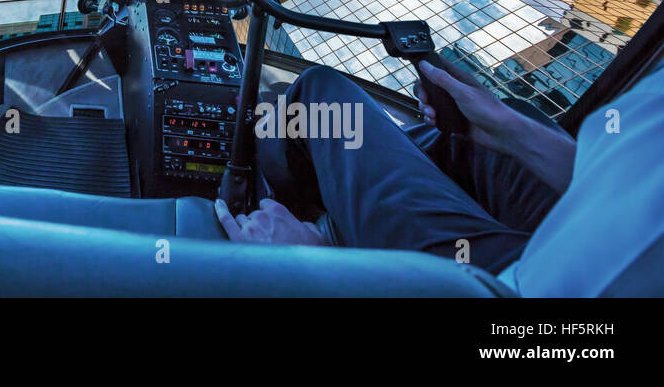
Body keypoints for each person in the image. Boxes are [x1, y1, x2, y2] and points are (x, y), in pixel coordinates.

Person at [213, 56, 664, 296]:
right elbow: (629, 179)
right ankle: (359, 209)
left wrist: (313, 273)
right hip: (587, 219)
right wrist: (506, 129)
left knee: (324, 96)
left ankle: (325, 220)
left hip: (512, 289)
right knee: (498, 124)